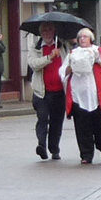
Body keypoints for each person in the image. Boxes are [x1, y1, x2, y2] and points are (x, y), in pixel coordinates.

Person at [60, 28, 101, 164]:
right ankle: (86, 154)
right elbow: (63, 72)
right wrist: (71, 67)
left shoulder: (99, 51)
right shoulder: (73, 53)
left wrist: (99, 61)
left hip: (97, 96)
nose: (82, 39)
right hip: (78, 96)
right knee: (82, 127)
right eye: (80, 37)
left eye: (85, 37)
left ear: (91, 38)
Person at [28, 23, 69, 161]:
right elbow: (34, 64)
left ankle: (54, 149)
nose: (47, 33)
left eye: (50, 29)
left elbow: (69, 64)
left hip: (59, 91)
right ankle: (41, 145)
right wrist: (49, 57)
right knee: (43, 118)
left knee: (57, 122)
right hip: (42, 92)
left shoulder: (62, 46)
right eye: (44, 30)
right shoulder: (35, 47)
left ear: (54, 31)